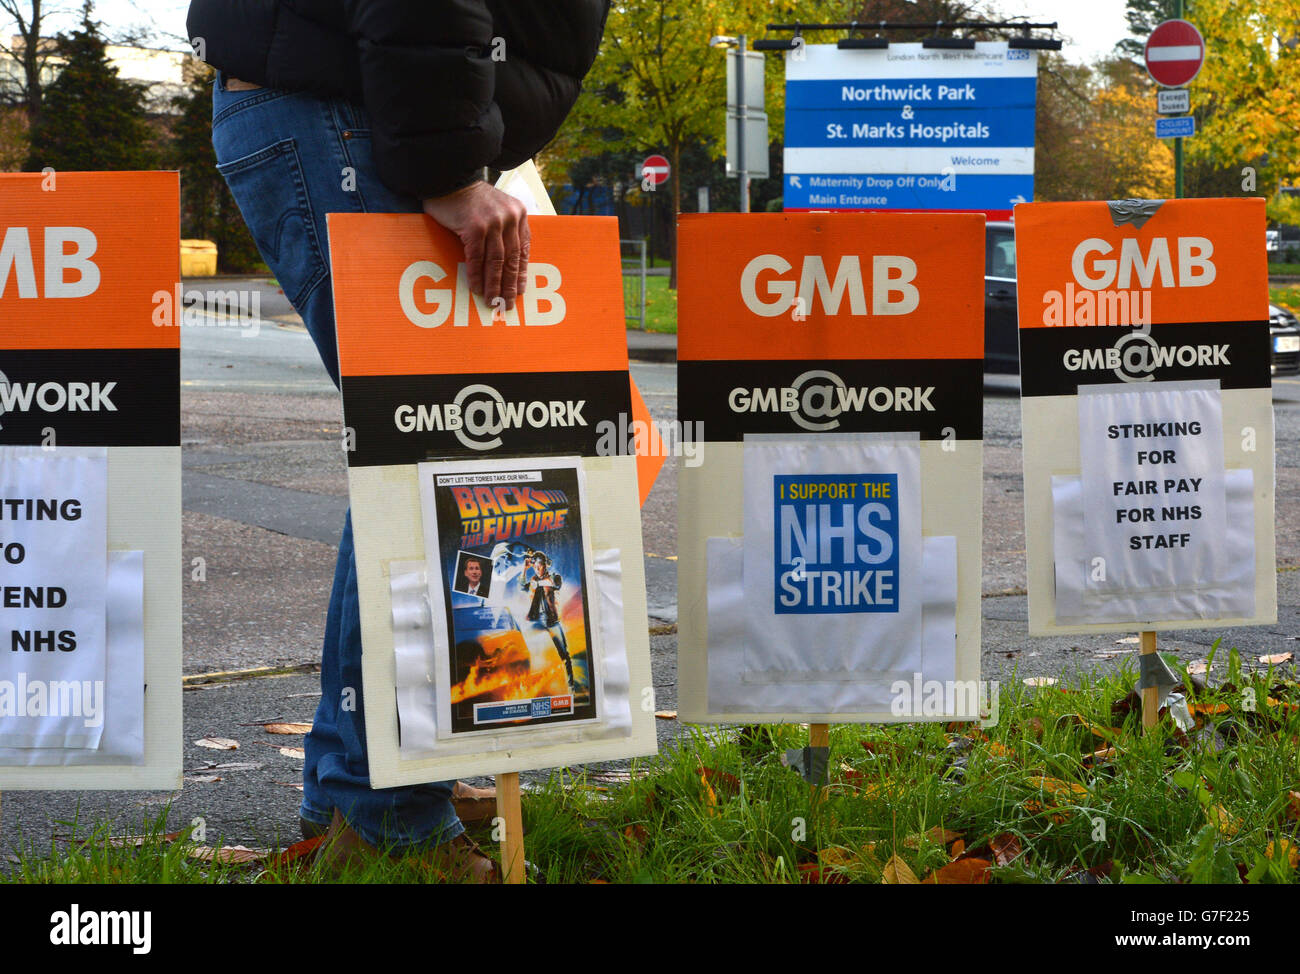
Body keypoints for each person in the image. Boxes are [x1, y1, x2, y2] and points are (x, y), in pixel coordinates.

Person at [186, 0, 610, 879]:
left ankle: (381, 786)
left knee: (432, 452)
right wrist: (449, 167)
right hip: (356, 115)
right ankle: (380, 812)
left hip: (368, 107)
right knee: (428, 454)